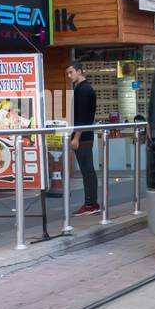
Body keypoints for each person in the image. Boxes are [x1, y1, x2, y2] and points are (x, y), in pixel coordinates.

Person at [67, 61, 98, 216]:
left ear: (79, 71)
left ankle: (90, 204)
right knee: (87, 170)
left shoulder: (84, 90)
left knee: (87, 170)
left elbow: (84, 116)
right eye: (68, 73)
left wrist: (76, 138)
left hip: (83, 136)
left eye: (71, 72)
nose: (69, 75)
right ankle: (91, 203)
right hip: (83, 134)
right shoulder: (81, 88)